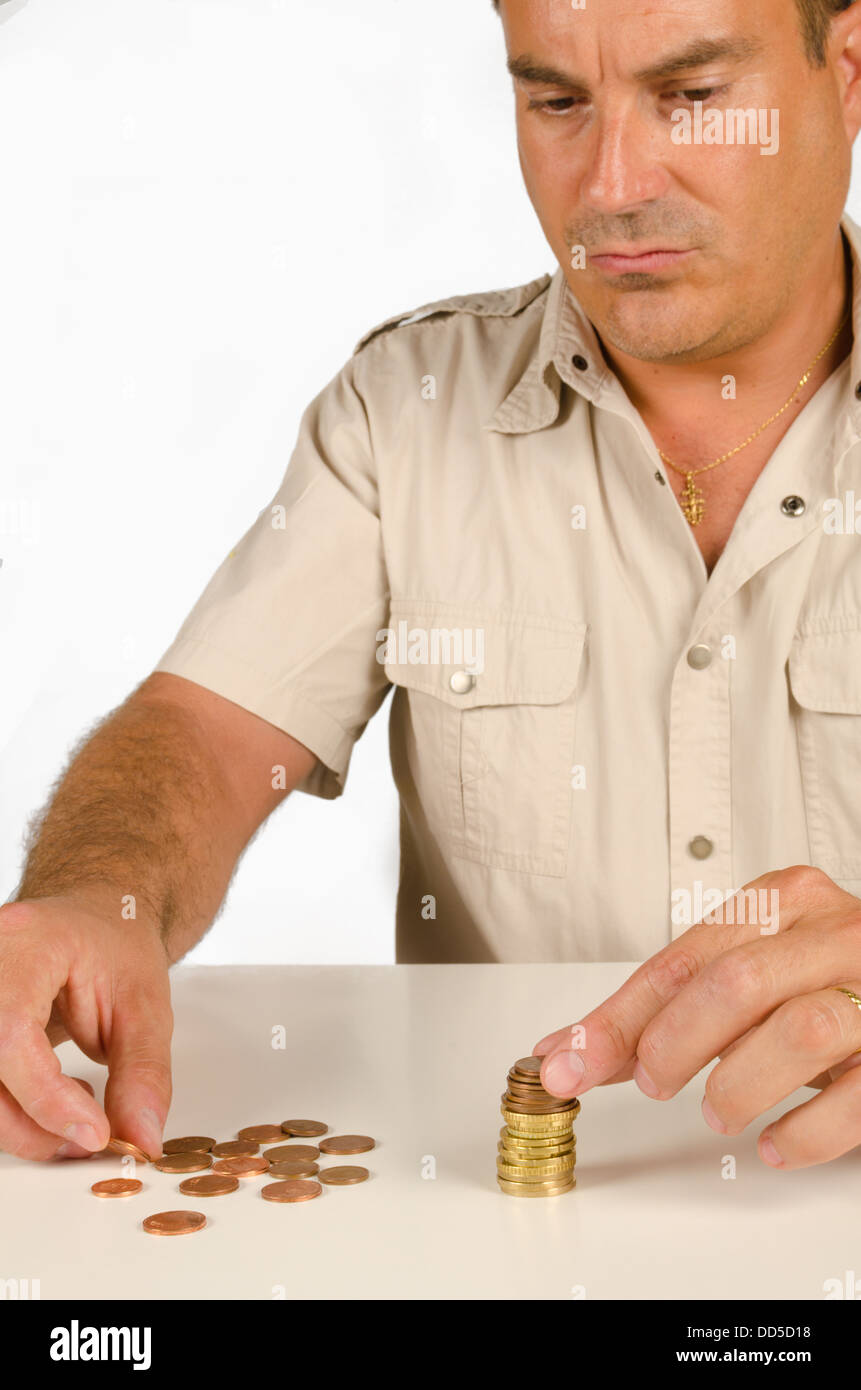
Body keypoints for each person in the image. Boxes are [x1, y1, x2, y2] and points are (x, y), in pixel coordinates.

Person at [4, 0, 861, 1171]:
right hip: (494, 1229)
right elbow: (203, 732)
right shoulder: (404, 414)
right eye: (557, 100)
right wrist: (90, 893)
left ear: (848, 69)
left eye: (692, 97)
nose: (609, 183)